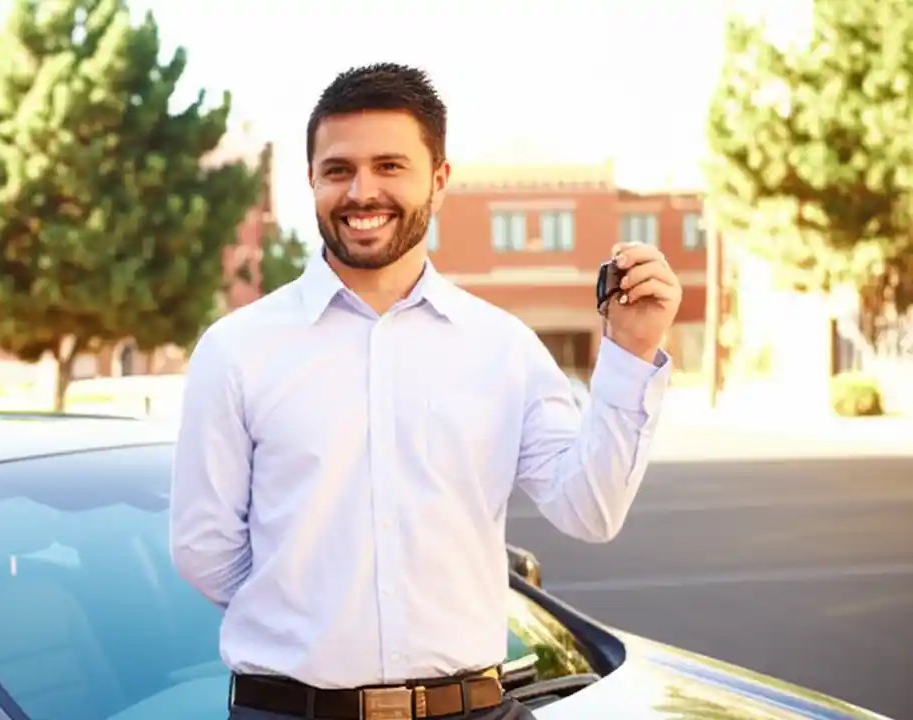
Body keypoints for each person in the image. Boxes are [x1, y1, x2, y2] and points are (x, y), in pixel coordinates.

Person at [170, 63, 679, 720]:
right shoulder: (236, 350)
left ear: (439, 180)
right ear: (311, 181)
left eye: (390, 166)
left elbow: (590, 509)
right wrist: (310, 620)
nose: (362, 192)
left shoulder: (503, 347)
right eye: (338, 170)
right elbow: (204, 549)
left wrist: (632, 352)